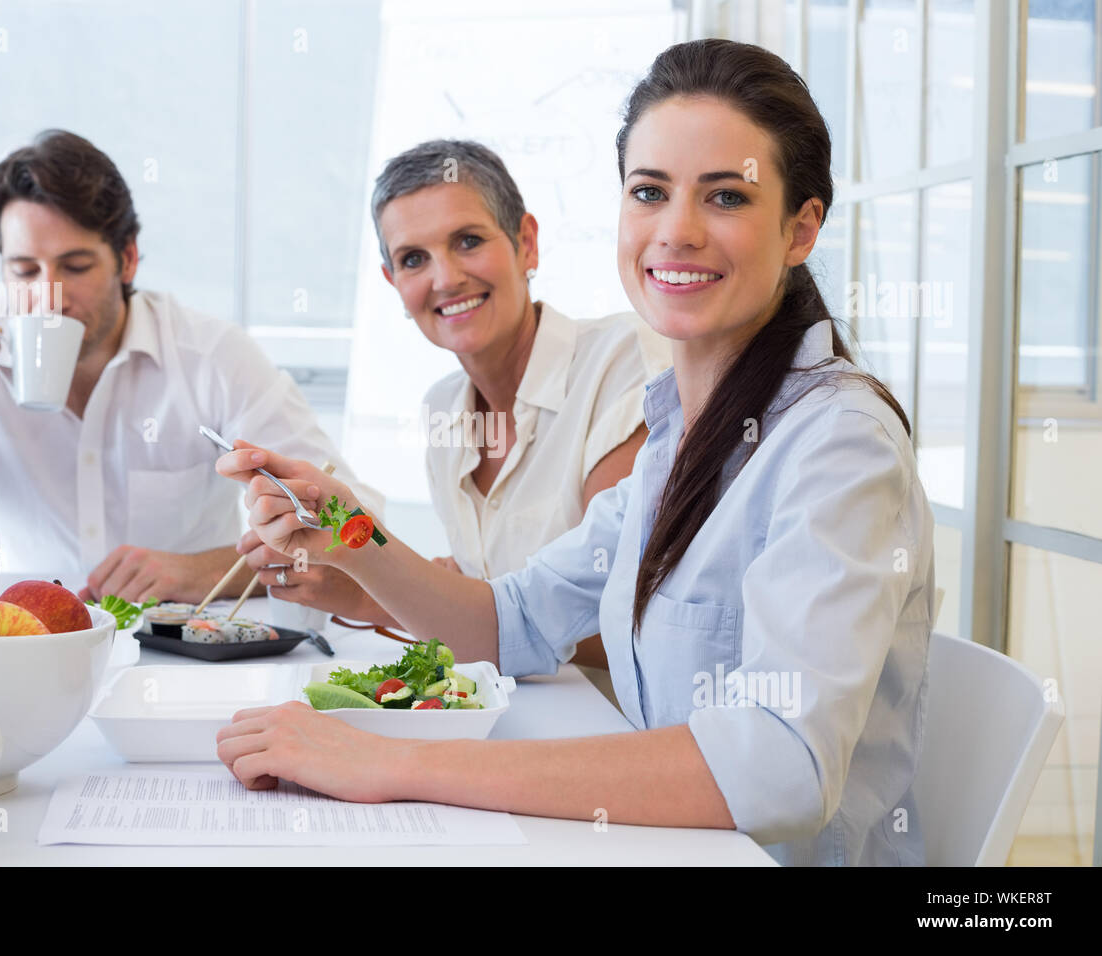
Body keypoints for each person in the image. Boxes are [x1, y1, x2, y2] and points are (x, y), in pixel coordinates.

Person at [213, 38, 934, 867]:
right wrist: (344, 530)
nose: (677, 232)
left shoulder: (837, 442)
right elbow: (511, 623)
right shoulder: (680, 432)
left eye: (726, 197)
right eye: (650, 193)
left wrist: (398, 763)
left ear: (801, 228)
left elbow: (781, 768)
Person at [0, 130, 379, 601]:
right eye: (24, 272)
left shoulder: (210, 358)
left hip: (180, 651)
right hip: (21, 644)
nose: (48, 297)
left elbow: (359, 531)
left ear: (126, 259)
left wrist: (201, 571)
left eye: (75, 266)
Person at [237, 139, 671, 687]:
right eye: (413, 259)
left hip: (615, 726)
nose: (444, 279)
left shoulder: (624, 361)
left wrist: (373, 590)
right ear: (394, 283)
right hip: (512, 717)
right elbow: (475, 582)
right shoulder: (444, 408)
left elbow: (616, 616)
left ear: (526, 244)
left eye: (467, 241)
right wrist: (342, 562)